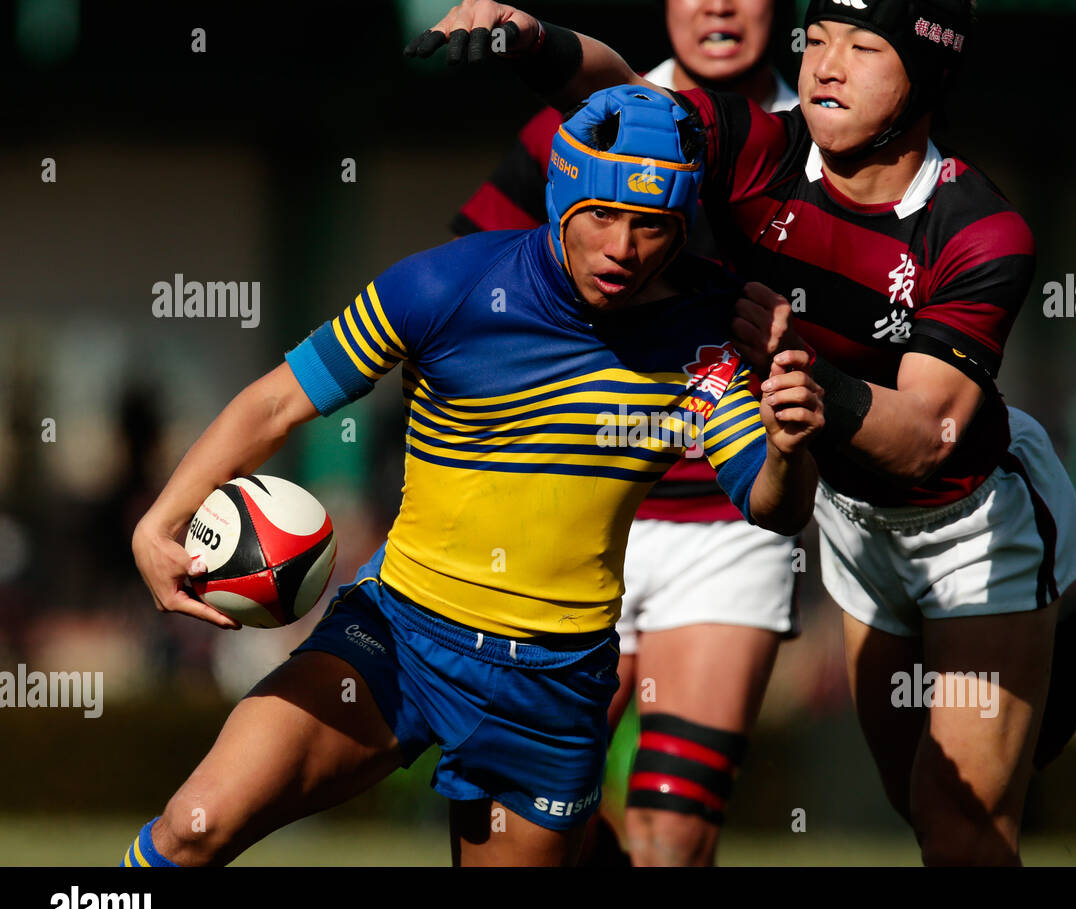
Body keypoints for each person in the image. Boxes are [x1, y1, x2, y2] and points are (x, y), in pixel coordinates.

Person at [405, 0, 1076, 864]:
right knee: (928, 796)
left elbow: (927, 432)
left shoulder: (979, 228)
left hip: (976, 521)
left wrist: (803, 372)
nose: (826, 65)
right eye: (818, 41)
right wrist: (527, 37)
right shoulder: (756, 148)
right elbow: (626, 97)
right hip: (852, 527)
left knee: (961, 824)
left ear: (928, 73)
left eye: (863, 47)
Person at [120, 85, 824, 867]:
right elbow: (277, 404)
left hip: (552, 690)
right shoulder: (443, 287)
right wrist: (161, 520)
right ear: (559, 195)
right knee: (194, 825)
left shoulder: (707, 331)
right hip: (395, 637)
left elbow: (772, 507)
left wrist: (790, 447)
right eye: (600, 215)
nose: (622, 248)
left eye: (651, 225)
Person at [454, 0, 801, 868]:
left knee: (671, 830)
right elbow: (477, 275)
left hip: (724, 524)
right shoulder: (592, 123)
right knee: (525, 826)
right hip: (575, 507)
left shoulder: (817, 143)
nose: (717, 4)